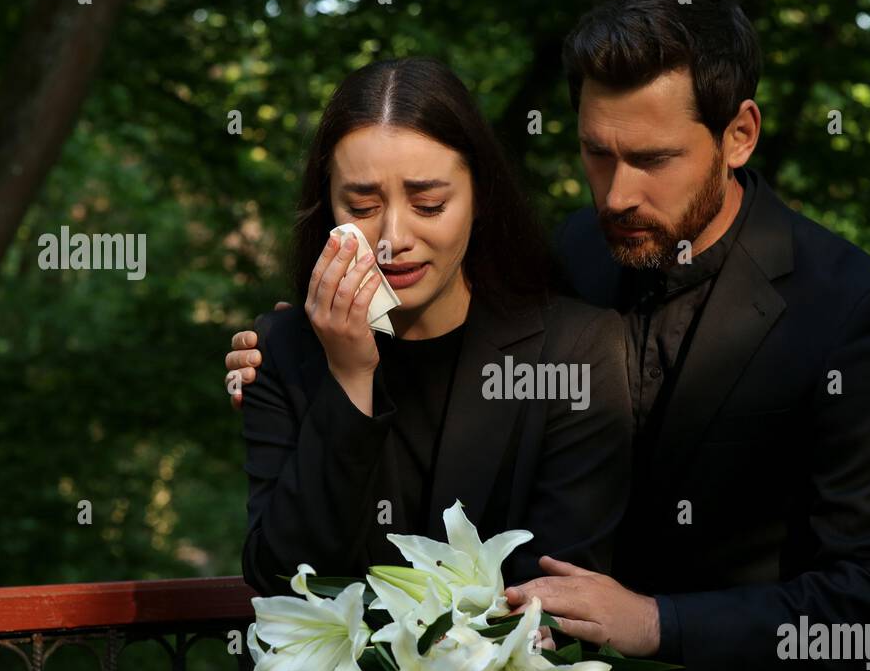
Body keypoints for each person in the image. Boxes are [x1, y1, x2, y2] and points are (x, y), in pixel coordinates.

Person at [228, 0, 870, 671]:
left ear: (739, 134)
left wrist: (658, 622)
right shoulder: (573, 252)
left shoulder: (853, 310)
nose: (617, 192)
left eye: (652, 158)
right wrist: (299, 364)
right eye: (596, 153)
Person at [237, 57, 631, 608]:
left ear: (481, 196)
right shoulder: (280, 350)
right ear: (327, 202)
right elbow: (284, 578)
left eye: (429, 204)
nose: (393, 237)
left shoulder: (574, 348)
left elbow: (557, 587)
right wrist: (350, 378)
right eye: (362, 205)